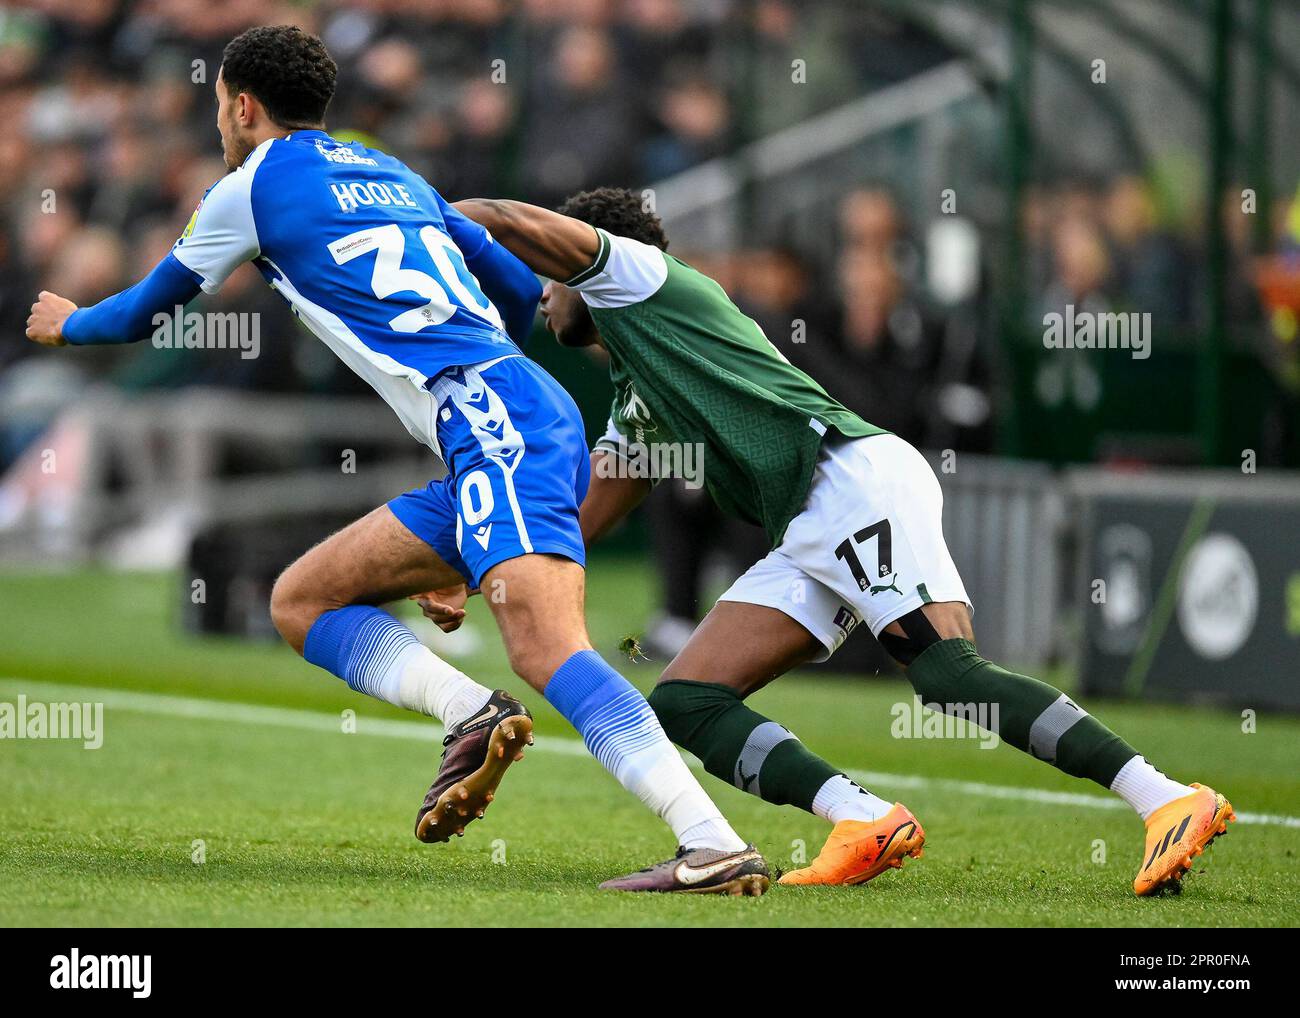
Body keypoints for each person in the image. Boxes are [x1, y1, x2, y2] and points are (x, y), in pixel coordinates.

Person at [24, 26, 768, 896]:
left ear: (241, 105)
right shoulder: (396, 174)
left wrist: (64, 321)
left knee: (546, 647)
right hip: (504, 425)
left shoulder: (247, 189)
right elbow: (525, 290)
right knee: (303, 600)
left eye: (218, 104)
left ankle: (710, 841)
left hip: (495, 429)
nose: (218, 120)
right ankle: (470, 713)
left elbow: (140, 315)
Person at [437, 187, 1234, 896]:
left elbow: (506, 217)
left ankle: (1163, 795)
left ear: (578, 263)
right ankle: (860, 818)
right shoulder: (635, 399)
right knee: (686, 699)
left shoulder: (640, 281)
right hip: (808, 524)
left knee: (950, 676)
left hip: (850, 478)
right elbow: (568, 530)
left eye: (546, 276)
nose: (541, 298)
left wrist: (418, 218)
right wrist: (472, 575)